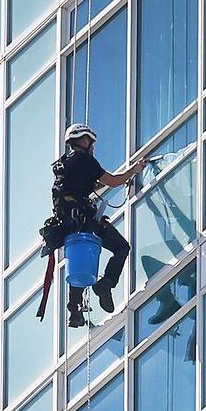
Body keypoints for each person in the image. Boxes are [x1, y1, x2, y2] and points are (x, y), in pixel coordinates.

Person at [45, 124, 147, 328]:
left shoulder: (66, 164)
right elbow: (113, 181)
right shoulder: (84, 160)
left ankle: (74, 309)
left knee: (80, 262)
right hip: (84, 220)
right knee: (121, 247)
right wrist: (134, 170)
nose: (91, 146)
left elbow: (88, 184)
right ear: (83, 140)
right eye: (89, 141)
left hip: (68, 225)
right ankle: (105, 285)